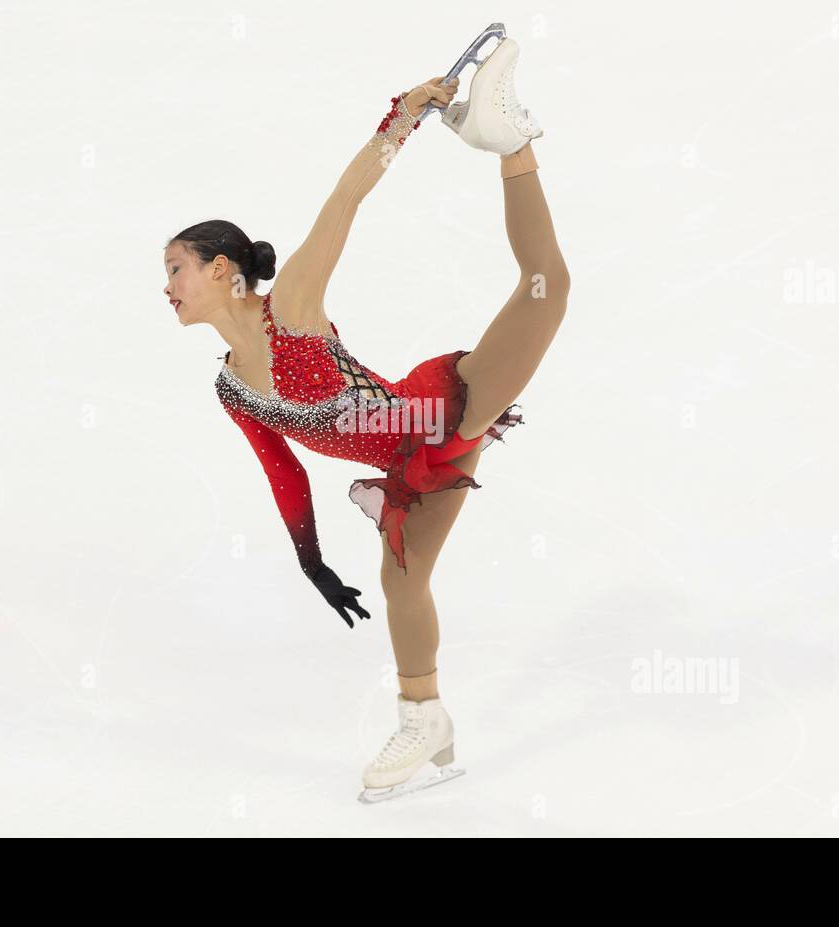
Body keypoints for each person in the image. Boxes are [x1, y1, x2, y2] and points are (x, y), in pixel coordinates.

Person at [163, 30, 569, 800]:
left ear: (222, 270)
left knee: (547, 283)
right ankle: (427, 719)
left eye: (176, 268)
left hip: (444, 407)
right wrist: (311, 559)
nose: (168, 286)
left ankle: (511, 137)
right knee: (401, 576)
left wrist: (402, 118)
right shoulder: (231, 388)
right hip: (406, 465)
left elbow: (345, 199)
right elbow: (283, 469)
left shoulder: (295, 311)